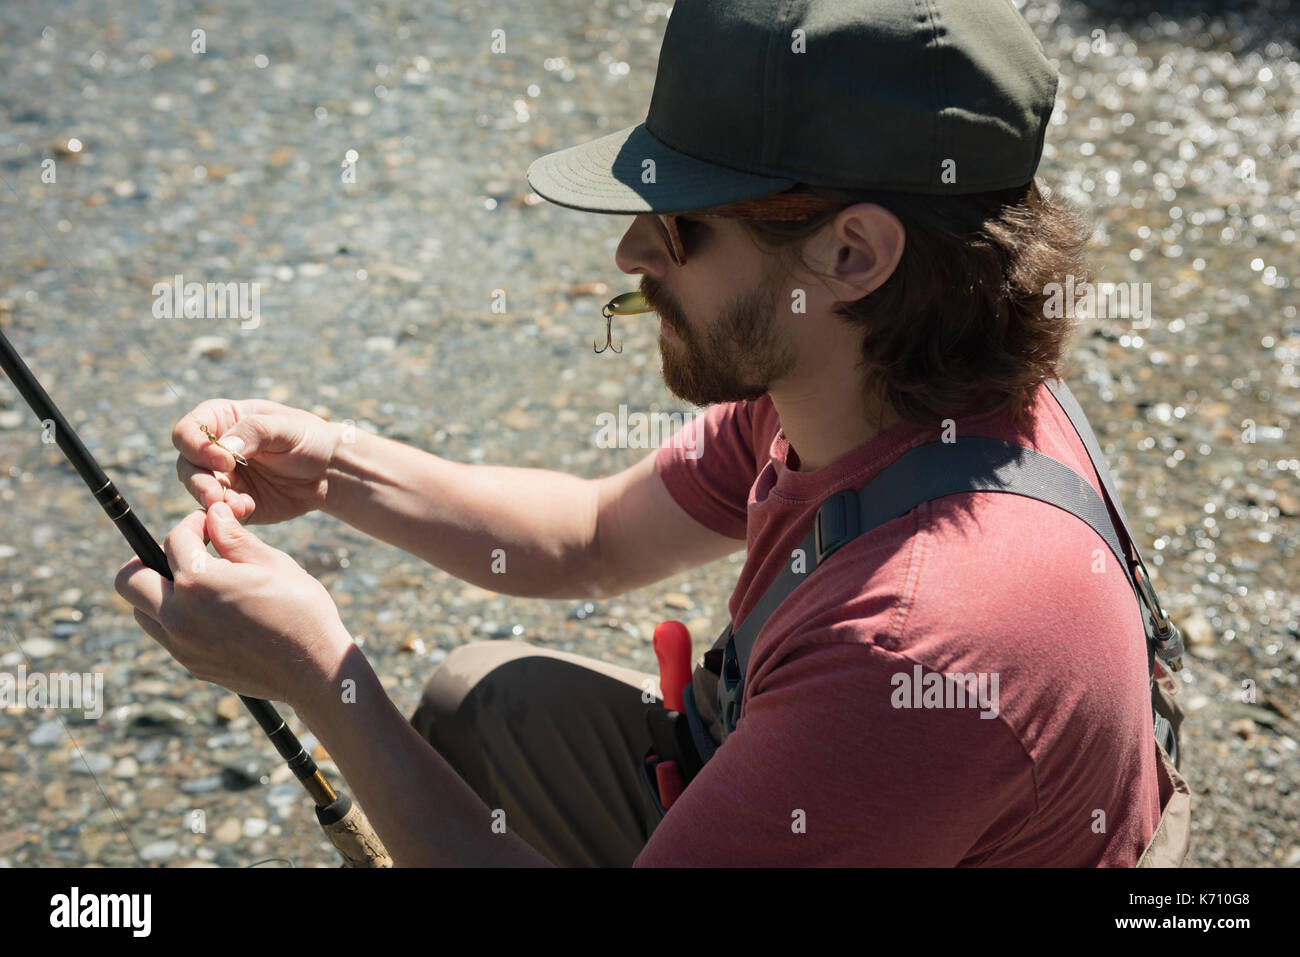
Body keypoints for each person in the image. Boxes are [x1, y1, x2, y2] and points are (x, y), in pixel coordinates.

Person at [115, 0, 1165, 866]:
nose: (628, 253)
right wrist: (335, 462)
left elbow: (884, 676)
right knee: (487, 705)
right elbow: (589, 539)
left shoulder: (917, 647)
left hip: (886, 772)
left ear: (853, 253)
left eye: (678, 224)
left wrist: (321, 680)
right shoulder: (874, 373)